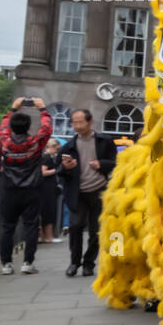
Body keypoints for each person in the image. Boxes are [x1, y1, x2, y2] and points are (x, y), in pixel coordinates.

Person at [0, 97, 52, 275]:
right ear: (28, 127)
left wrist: (13, 108)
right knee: (31, 226)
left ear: (12, 127)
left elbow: (2, 127)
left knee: (7, 227)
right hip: (31, 189)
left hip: (10, 189)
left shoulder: (4, 142)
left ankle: (6, 264)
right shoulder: (35, 143)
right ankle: (28, 262)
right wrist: (42, 109)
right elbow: (47, 128)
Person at [59, 109, 117, 278]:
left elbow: (116, 162)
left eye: (80, 122)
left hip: (100, 190)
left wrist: (101, 164)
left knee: (96, 230)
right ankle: (74, 262)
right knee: (75, 226)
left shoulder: (105, 142)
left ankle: (89, 263)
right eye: (74, 122)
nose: (77, 125)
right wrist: (66, 167)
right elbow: (59, 170)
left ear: (90, 122)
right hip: (78, 192)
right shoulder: (68, 146)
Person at [38, 138, 62, 245]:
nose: (57, 151)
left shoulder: (46, 157)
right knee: (49, 211)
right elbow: (43, 172)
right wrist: (56, 170)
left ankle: (44, 236)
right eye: (57, 149)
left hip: (47, 187)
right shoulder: (47, 158)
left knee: (47, 212)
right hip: (47, 188)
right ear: (52, 147)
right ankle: (49, 237)